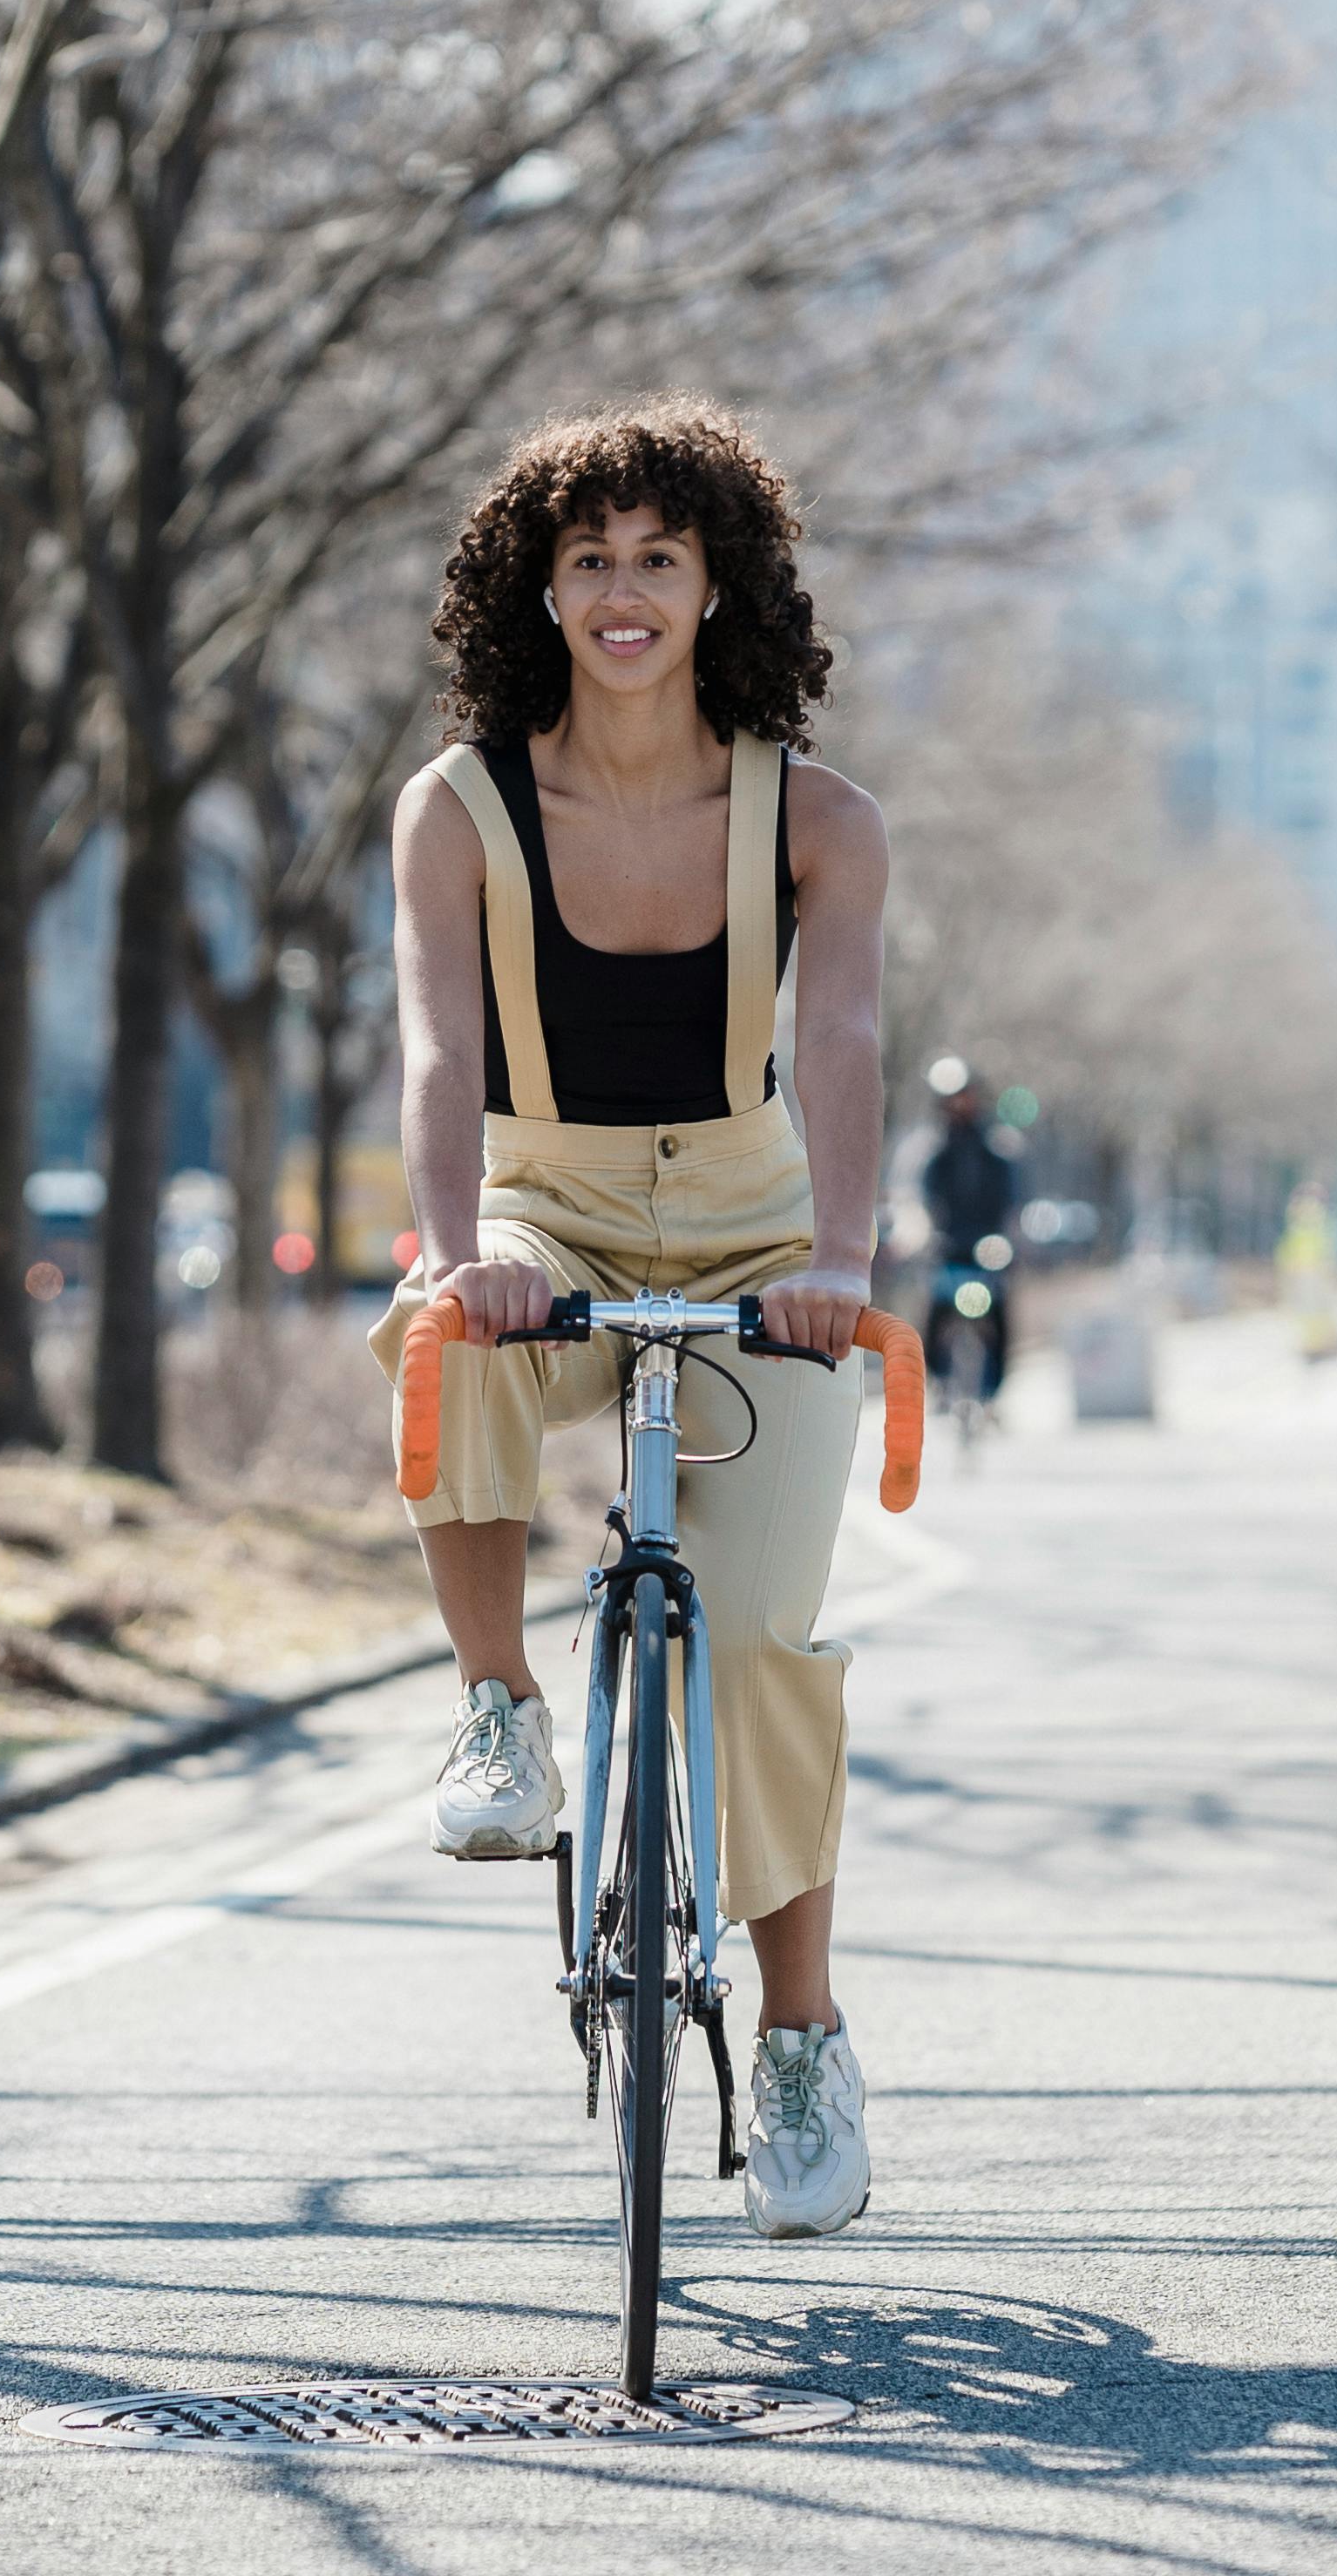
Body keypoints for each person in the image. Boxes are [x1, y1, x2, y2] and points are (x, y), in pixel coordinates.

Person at [374, 396, 892, 2241]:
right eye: (588, 556)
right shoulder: (460, 808)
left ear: (714, 584)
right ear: (538, 585)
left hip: (763, 1234)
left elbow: (844, 1039)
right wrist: (462, 1250)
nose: (622, 590)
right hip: (546, 1200)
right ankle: (500, 1709)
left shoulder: (818, 818)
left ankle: (803, 2034)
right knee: (444, 1337)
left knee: (755, 1644)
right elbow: (440, 1049)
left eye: (659, 557)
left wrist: (841, 1259)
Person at [915, 1059, 1018, 1415]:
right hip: (949, 1247)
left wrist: (1010, 1239)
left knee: (999, 1319)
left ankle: (992, 1393)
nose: (960, 1103)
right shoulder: (935, 1149)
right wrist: (926, 1235)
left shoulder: (994, 1146)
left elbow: (1010, 1199)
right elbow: (924, 1198)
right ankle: (939, 1381)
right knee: (936, 1315)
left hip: (989, 1249)